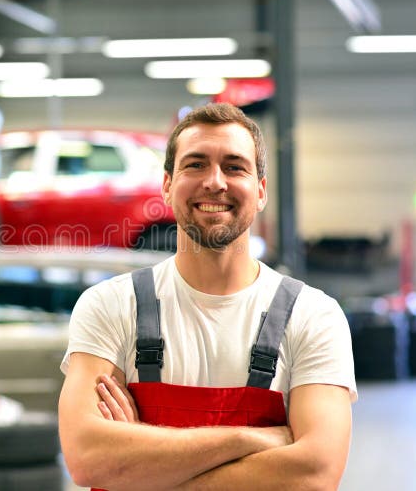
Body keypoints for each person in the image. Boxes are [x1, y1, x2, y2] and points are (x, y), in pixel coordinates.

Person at [58, 103, 357, 490]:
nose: (215, 182)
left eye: (234, 166)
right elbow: (87, 459)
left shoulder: (313, 315)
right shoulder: (111, 306)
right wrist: (249, 439)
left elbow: (314, 475)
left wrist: (143, 468)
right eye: (195, 164)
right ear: (167, 185)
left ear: (261, 191)